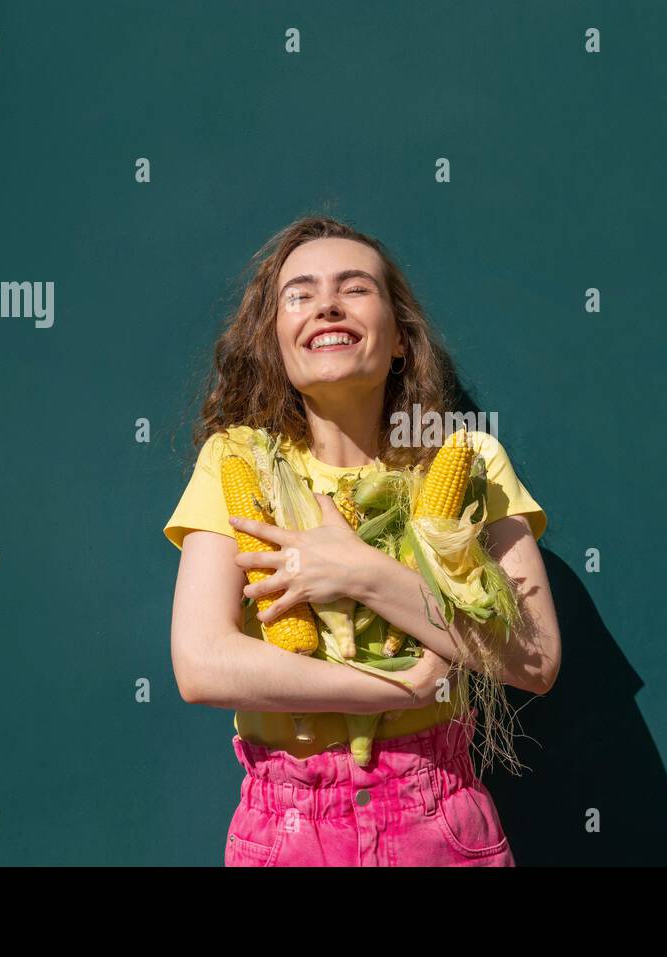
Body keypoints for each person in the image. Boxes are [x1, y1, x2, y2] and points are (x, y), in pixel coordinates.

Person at [162, 216, 561, 866]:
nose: (326, 303)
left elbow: (535, 660)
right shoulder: (234, 459)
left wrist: (358, 570)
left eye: (355, 288)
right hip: (289, 826)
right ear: (274, 344)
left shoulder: (472, 460)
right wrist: (397, 688)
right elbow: (202, 664)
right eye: (300, 293)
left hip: (439, 822)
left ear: (400, 338)